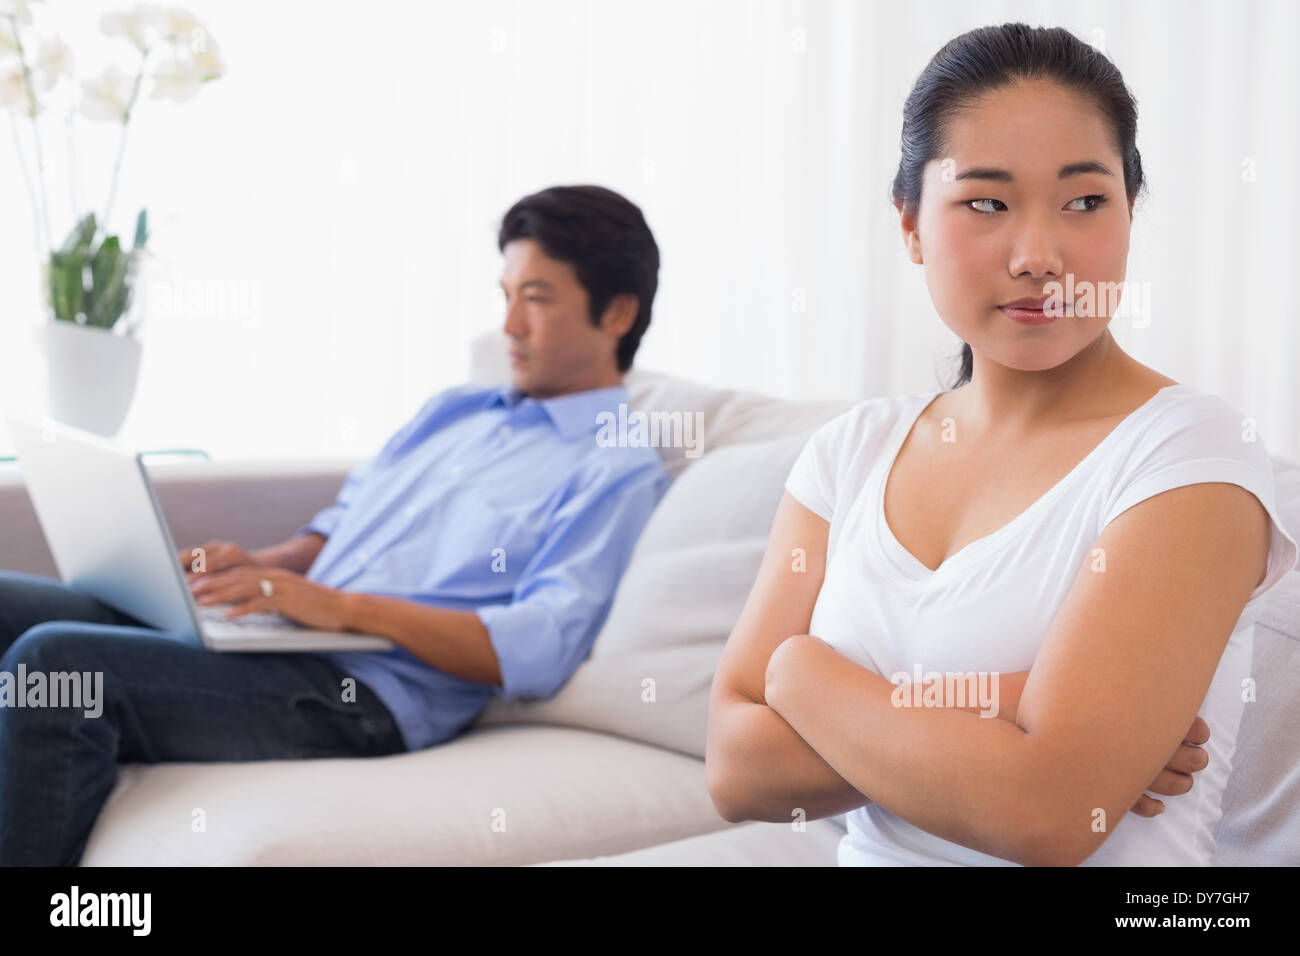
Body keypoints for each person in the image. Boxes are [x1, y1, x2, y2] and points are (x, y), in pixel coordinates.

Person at [706, 23, 1298, 866]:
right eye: (986, 201)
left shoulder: (1189, 452)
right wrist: (1010, 708)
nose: (1038, 256)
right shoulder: (850, 452)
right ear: (911, 225)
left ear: (1131, 212)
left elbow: (1048, 816)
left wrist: (801, 680)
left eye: (1085, 201)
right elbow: (734, 769)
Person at [0, 184, 671, 866]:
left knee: (55, 664)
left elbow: (538, 647)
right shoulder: (456, 412)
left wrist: (341, 610)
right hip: (283, 637)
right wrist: (269, 566)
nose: (509, 327)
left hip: (357, 696)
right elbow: (344, 522)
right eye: (505, 297)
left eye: (536, 299)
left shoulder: (615, 469)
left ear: (617, 313)